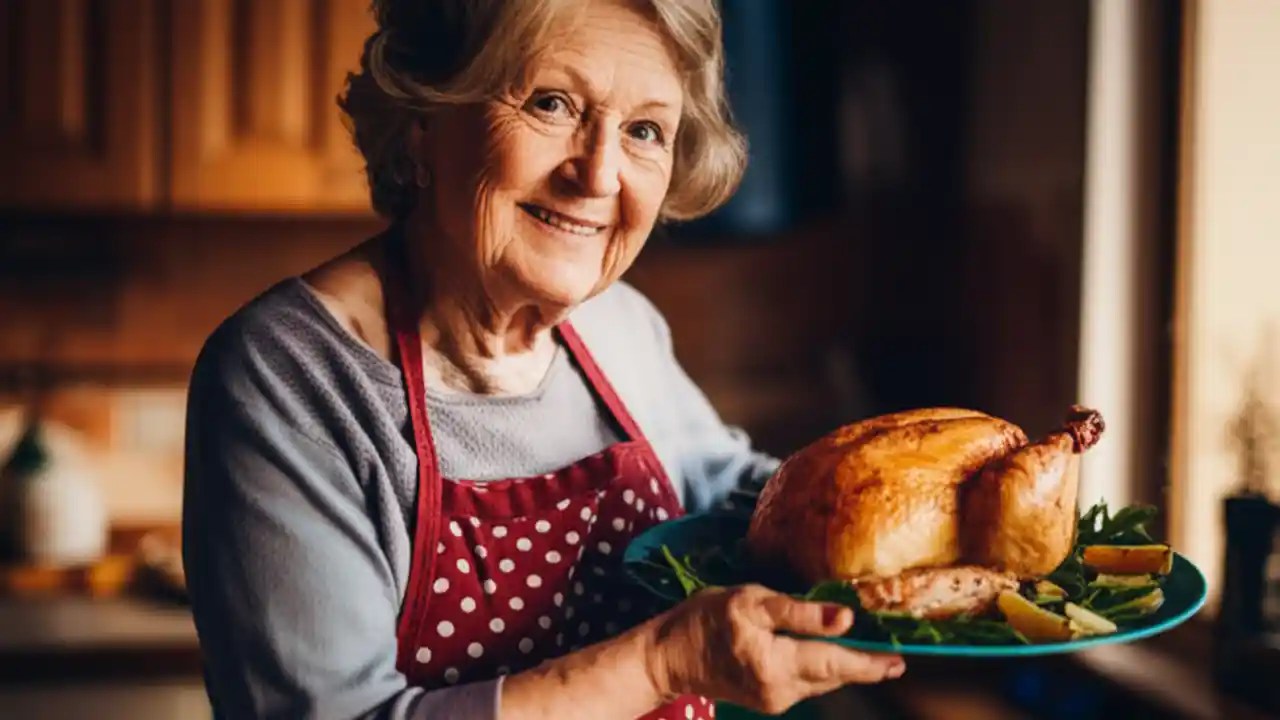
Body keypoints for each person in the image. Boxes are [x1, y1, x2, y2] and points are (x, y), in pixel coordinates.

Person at [181, 1, 906, 718]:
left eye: (645, 130)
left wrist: (912, 509)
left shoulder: (619, 327)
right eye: (552, 103)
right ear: (422, 117)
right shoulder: (291, 375)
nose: (597, 175)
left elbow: (740, 501)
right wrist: (666, 662)